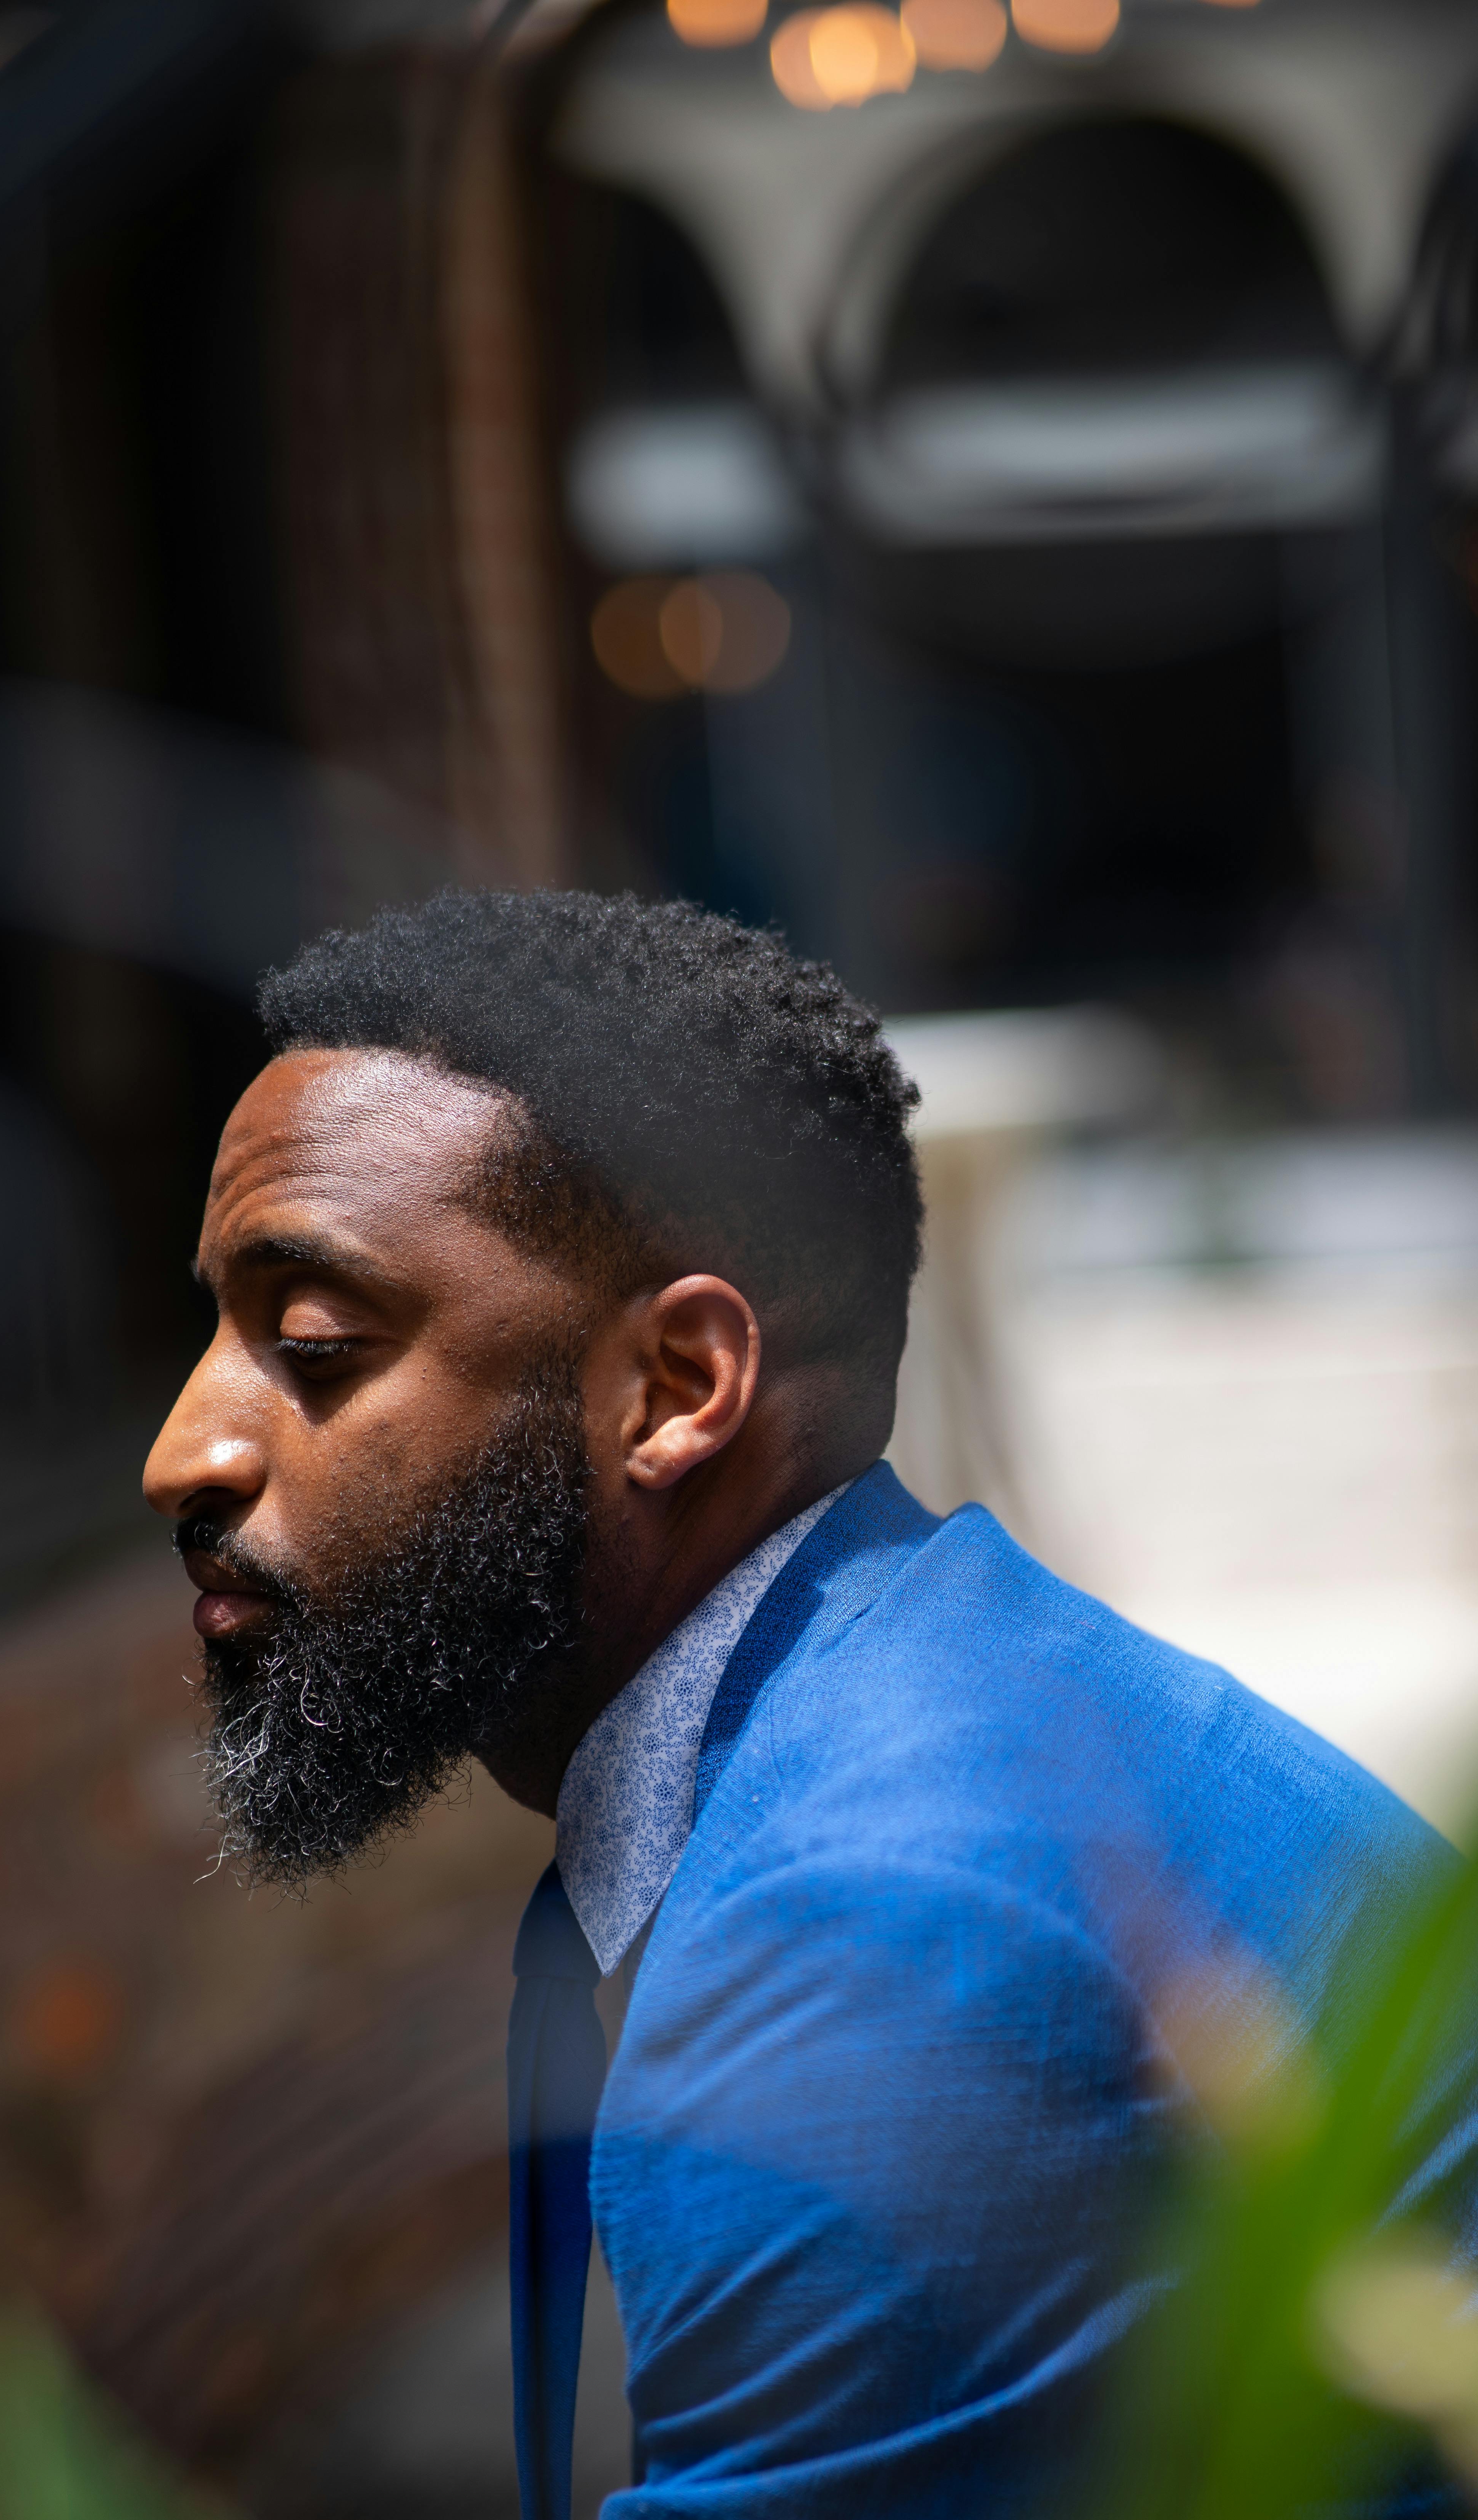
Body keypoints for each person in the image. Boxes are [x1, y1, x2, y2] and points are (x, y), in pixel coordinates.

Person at [143, 890, 1471, 2520]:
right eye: (213, 1325)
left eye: (315, 1341)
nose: (183, 1449)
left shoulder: (856, 1938)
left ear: (678, 1388)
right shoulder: (917, 1671)